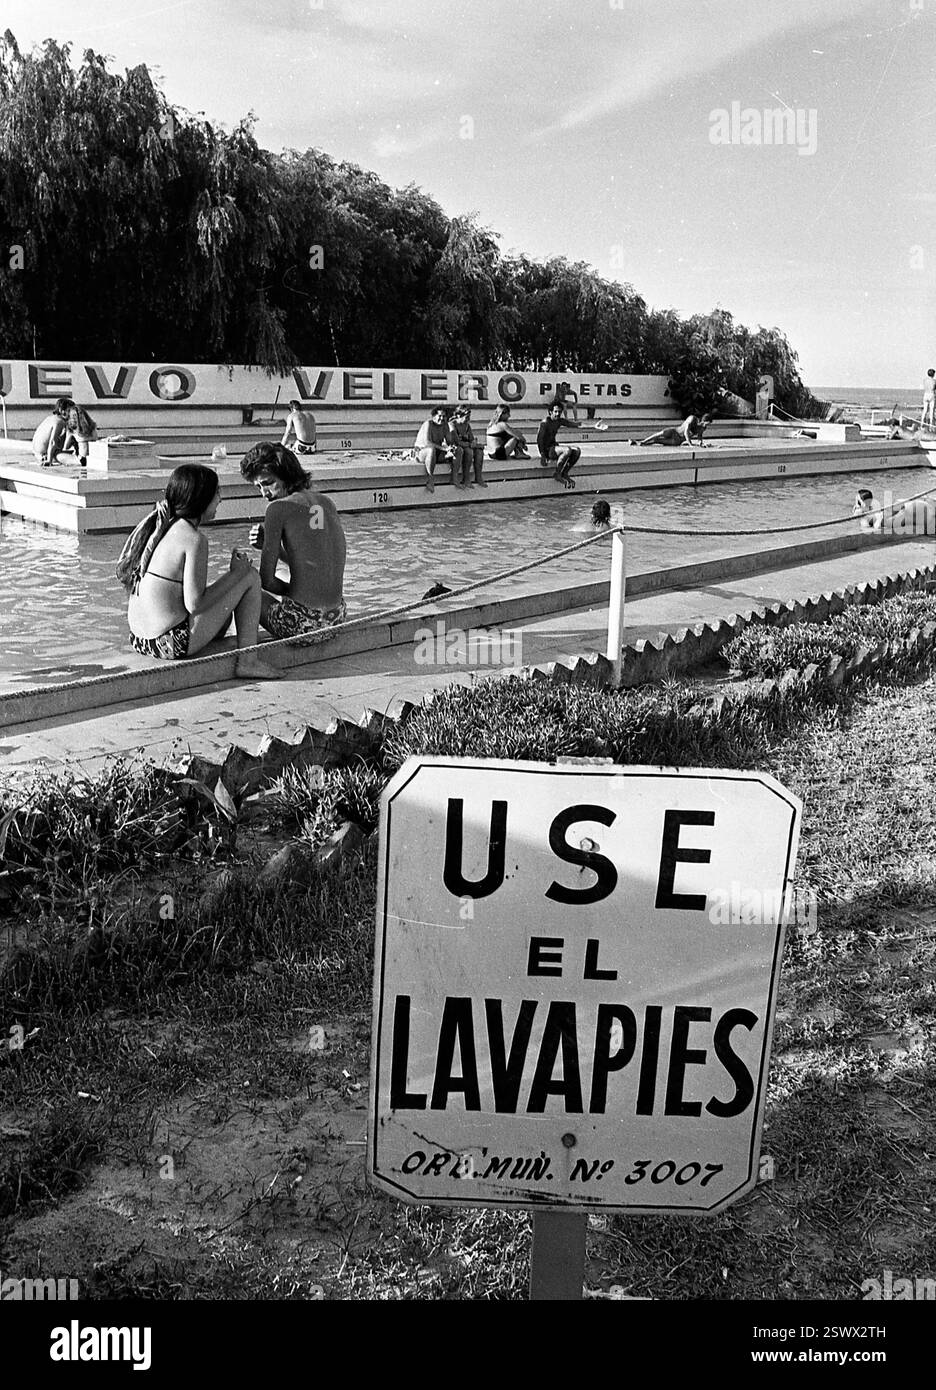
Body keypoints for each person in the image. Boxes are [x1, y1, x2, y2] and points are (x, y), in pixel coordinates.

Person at [117, 463, 279, 678]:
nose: (220, 500)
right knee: (250, 577)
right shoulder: (193, 539)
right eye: (217, 493)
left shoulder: (162, 527)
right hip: (168, 644)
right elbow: (195, 604)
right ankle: (248, 660)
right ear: (201, 498)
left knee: (225, 611)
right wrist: (236, 574)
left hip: (139, 640)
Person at [240, 442, 347, 645]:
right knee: (285, 574)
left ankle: (247, 659)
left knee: (246, 588)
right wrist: (271, 548)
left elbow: (266, 580)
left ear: (286, 475)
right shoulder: (325, 503)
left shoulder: (277, 509)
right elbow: (315, 560)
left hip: (304, 625)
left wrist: (298, 594)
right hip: (336, 619)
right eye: (259, 487)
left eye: (268, 483)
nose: (264, 493)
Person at [537, 402, 582, 486]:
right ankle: (557, 473)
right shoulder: (545, 423)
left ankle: (564, 473)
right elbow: (539, 439)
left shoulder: (559, 421)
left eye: (560, 412)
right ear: (550, 412)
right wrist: (542, 455)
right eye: (556, 412)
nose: (558, 414)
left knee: (577, 451)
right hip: (547, 451)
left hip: (554, 448)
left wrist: (594, 425)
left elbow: (576, 425)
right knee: (567, 450)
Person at [414, 407, 458, 492]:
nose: (441, 418)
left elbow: (449, 442)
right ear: (434, 416)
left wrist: (451, 447)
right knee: (431, 450)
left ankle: (454, 478)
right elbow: (427, 443)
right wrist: (444, 449)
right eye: (440, 416)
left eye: (444, 416)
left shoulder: (445, 425)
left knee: (458, 450)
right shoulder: (428, 424)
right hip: (422, 452)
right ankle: (430, 479)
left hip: (436, 453)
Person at [448, 405, 486, 487]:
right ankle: (466, 478)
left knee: (479, 452)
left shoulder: (467, 426)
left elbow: (471, 438)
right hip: (454, 448)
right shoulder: (452, 425)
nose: (468, 419)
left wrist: (474, 444)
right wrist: (471, 445)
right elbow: (456, 442)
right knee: (469, 451)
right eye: (467, 417)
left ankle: (478, 477)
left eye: (469, 417)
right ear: (458, 416)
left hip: (465, 446)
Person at [632, 413, 713, 447]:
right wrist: (690, 444)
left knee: (657, 441)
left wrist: (701, 444)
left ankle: (640, 443)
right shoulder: (692, 419)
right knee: (659, 434)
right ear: (703, 421)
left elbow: (699, 437)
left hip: (678, 440)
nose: (706, 426)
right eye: (707, 423)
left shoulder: (703, 428)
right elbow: (686, 432)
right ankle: (642, 442)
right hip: (675, 431)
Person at [30, 398, 71, 466]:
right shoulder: (60, 421)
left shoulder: (50, 418)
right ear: (62, 411)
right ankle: (50, 457)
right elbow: (52, 441)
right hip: (45, 455)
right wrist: (49, 460)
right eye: (70, 411)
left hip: (37, 454)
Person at [63, 399, 98, 467]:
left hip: (82, 459)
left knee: (58, 455)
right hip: (93, 458)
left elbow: (66, 447)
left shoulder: (73, 430)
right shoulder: (92, 427)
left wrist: (67, 434)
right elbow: (95, 439)